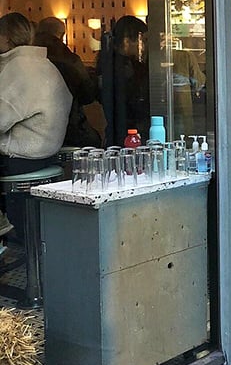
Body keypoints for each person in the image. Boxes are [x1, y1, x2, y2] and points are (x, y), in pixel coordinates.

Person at [0, 12, 72, 237]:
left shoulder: (18, 68)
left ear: (5, 37)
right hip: (45, 154)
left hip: (20, 159)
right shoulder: (44, 64)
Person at [34, 17, 101, 147]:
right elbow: (87, 95)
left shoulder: (26, 57)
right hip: (69, 126)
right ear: (61, 35)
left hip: (34, 132)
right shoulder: (69, 59)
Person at [97, 15, 150, 146]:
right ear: (127, 41)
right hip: (126, 125)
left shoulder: (106, 59)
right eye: (140, 40)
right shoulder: (122, 65)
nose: (141, 45)